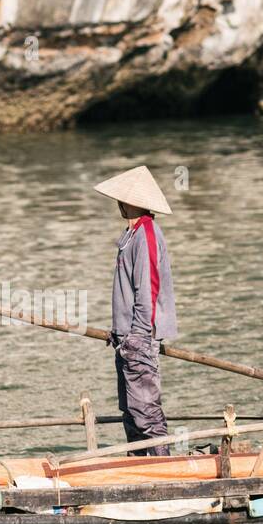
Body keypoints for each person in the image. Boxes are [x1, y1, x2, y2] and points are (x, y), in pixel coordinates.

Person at [94, 166, 178, 456]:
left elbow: (149, 288)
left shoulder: (147, 234)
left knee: (146, 410)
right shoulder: (130, 235)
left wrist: (138, 334)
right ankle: (140, 466)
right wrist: (118, 331)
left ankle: (163, 470)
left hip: (139, 338)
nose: (118, 204)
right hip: (126, 338)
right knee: (130, 411)